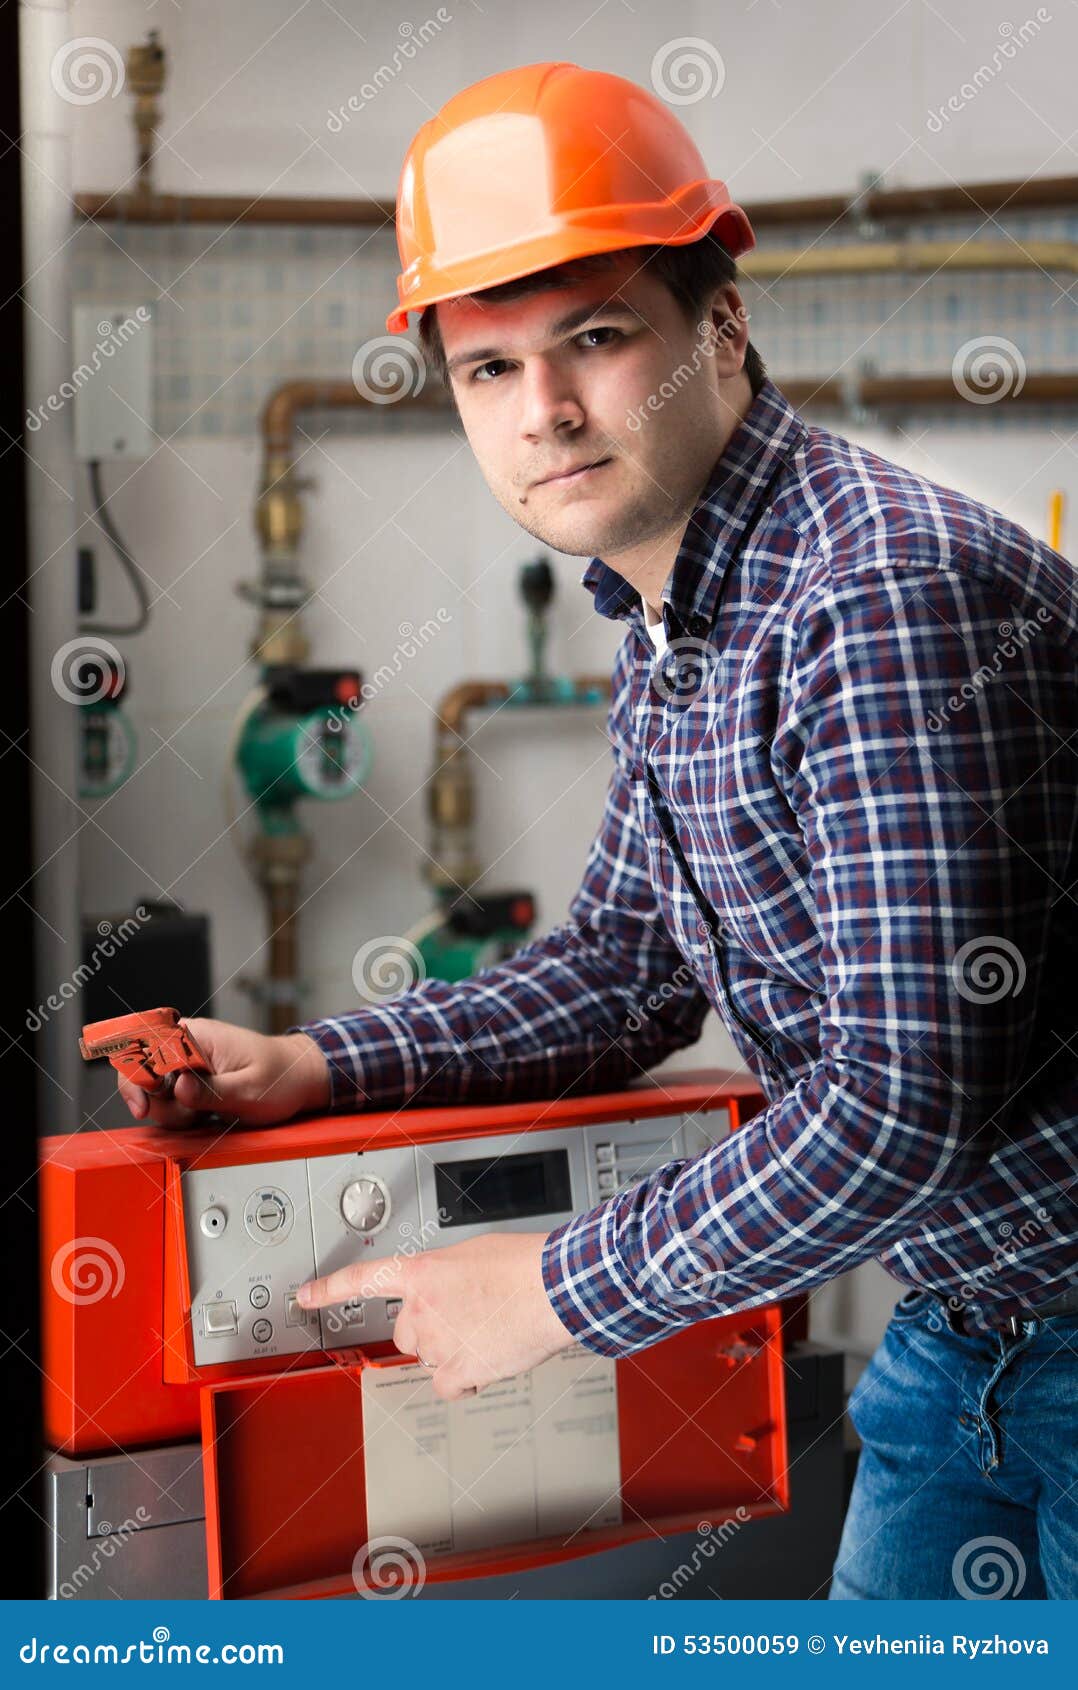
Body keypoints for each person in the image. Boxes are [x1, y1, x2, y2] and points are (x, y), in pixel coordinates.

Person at [115, 63, 1078, 1599]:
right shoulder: (675, 615)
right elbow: (626, 969)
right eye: (488, 368)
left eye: (597, 338)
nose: (544, 411)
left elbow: (903, 1100)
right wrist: (309, 1064)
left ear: (721, 328)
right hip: (968, 1328)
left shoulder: (875, 598)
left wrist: (558, 1292)